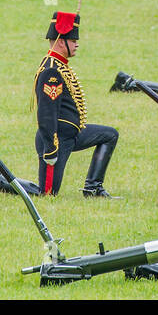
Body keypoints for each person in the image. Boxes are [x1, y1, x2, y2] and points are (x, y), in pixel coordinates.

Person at [27, 10, 119, 196]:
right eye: (73, 40)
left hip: (73, 134)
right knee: (47, 193)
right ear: (62, 41)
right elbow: (46, 114)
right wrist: (51, 149)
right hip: (57, 139)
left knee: (109, 135)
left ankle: (93, 187)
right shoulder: (52, 71)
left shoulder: (59, 65)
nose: (77, 44)